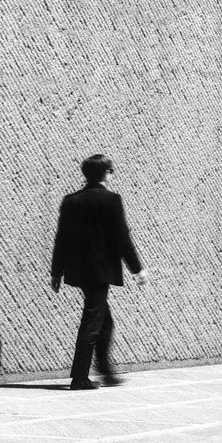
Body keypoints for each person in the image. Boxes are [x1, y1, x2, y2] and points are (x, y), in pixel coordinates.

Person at [50, 154, 145, 390]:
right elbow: (122, 237)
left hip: (78, 269)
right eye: (112, 170)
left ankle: (105, 371)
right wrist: (138, 269)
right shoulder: (111, 200)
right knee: (93, 320)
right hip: (100, 271)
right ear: (105, 173)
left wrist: (56, 271)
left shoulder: (71, 200)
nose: (114, 174)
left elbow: (61, 238)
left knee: (105, 320)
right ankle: (80, 377)